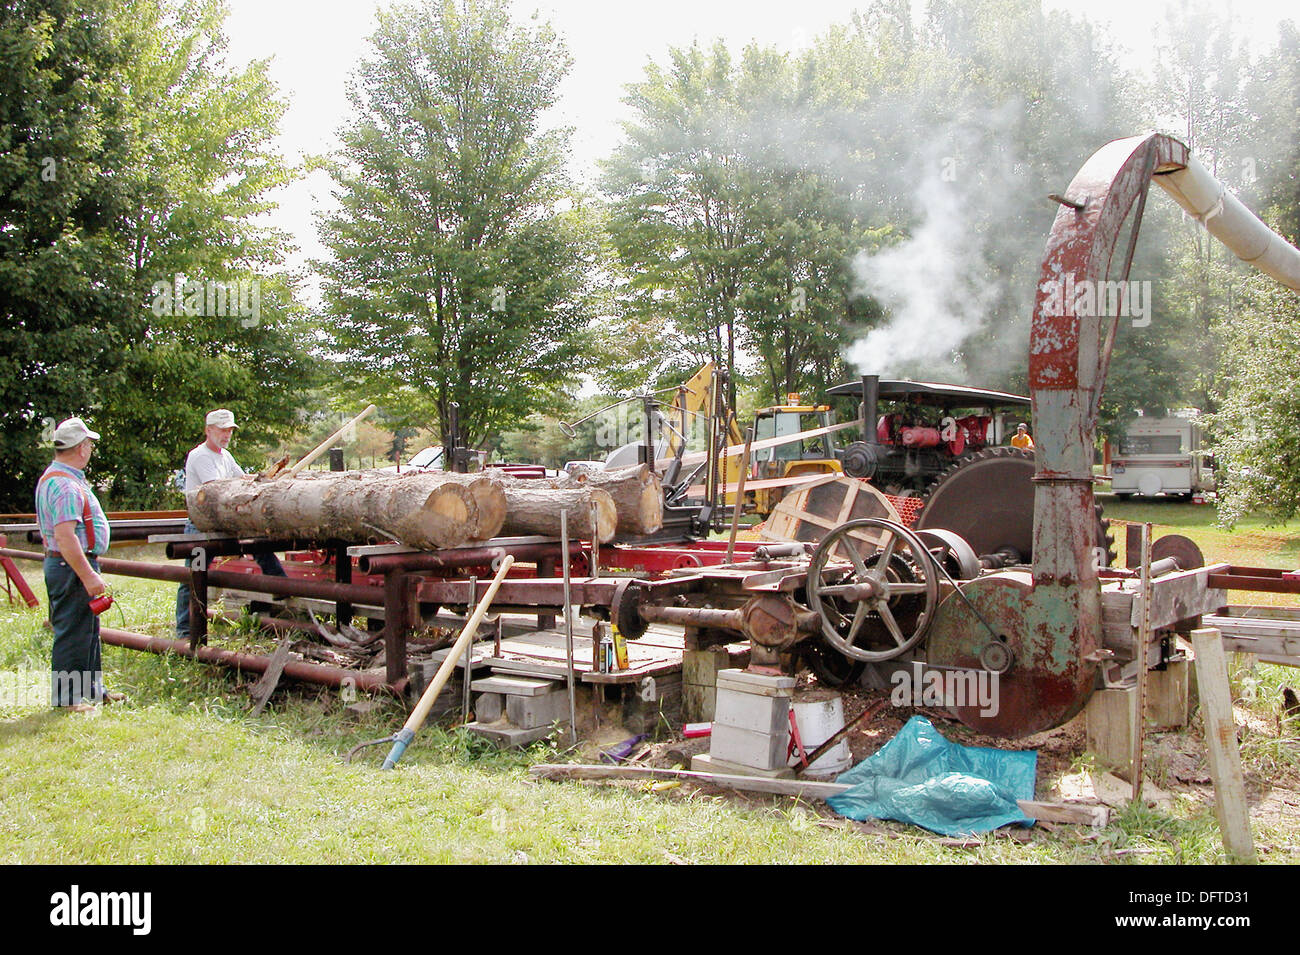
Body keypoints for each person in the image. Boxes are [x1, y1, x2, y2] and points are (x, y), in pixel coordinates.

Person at [36, 417, 122, 711]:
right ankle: (68, 699)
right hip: (71, 566)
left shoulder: (55, 477)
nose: (90, 450)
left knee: (87, 630)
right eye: (89, 444)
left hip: (66, 566)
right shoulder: (66, 485)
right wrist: (87, 575)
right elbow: (66, 537)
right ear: (81, 448)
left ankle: (93, 691)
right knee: (73, 632)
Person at [176, 408, 286, 640]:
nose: (226, 435)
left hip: (225, 523)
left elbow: (241, 477)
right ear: (208, 430)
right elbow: (218, 489)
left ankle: (279, 584)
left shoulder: (224, 456)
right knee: (193, 578)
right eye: (222, 430)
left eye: (229, 431)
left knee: (259, 543)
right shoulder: (200, 456)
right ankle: (185, 630)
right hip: (202, 527)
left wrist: (264, 479)